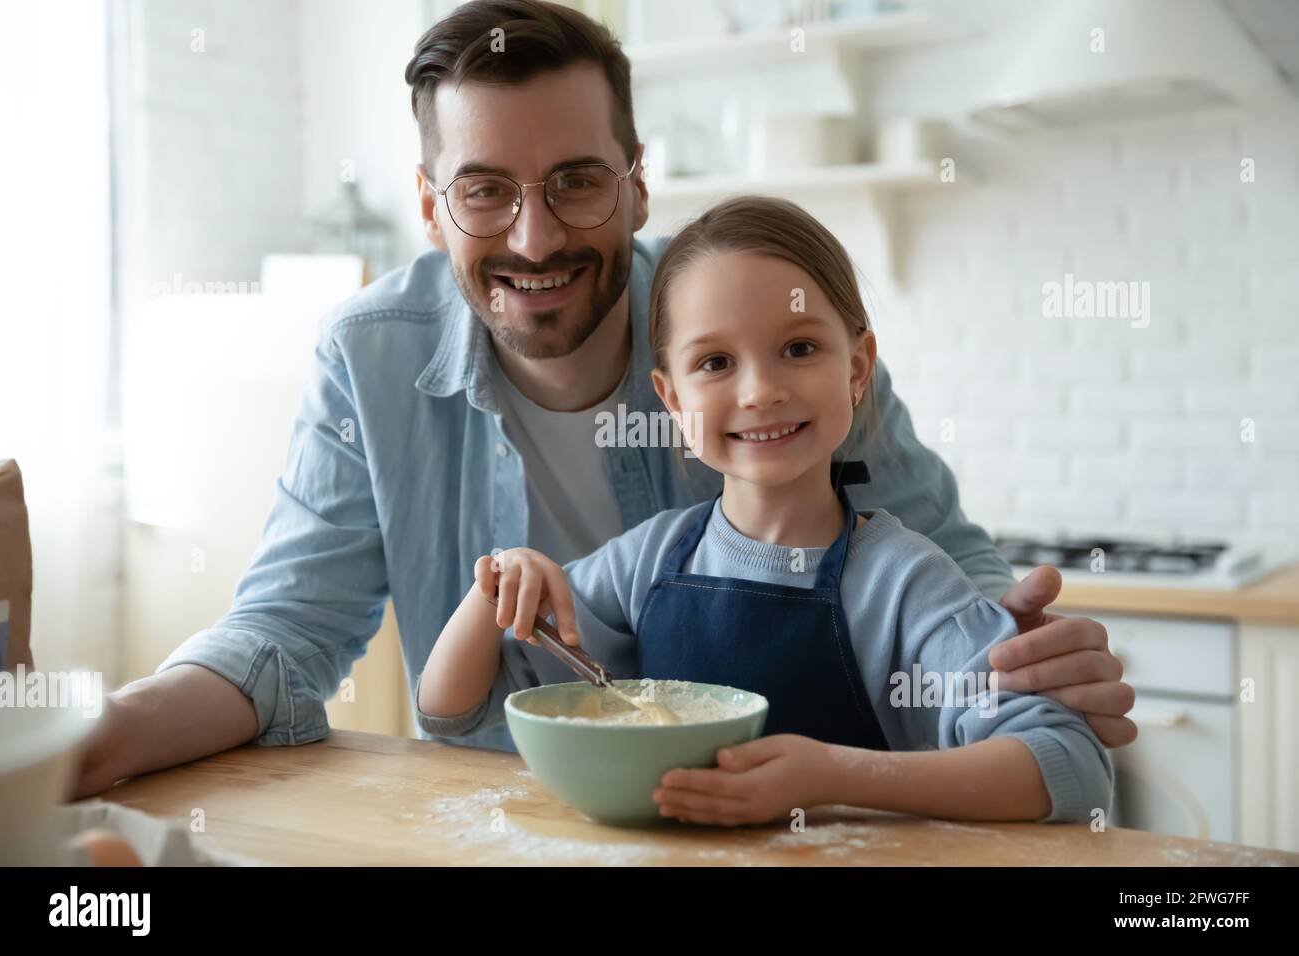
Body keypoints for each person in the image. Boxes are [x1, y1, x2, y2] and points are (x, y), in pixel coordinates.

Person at [72, 0, 1133, 799]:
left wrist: (1017, 657)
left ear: (635, 181)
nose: (535, 238)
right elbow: (288, 631)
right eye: (486, 189)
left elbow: (945, 564)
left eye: (577, 180)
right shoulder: (366, 359)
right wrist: (94, 737)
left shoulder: (757, 319)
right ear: (432, 207)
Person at [419, 196, 1113, 826]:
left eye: (799, 348)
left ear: (857, 367)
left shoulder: (904, 585)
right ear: (673, 401)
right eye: (716, 362)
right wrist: (496, 585)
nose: (759, 391)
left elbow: (1069, 766)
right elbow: (451, 709)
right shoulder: (647, 563)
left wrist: (837, 775)